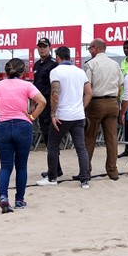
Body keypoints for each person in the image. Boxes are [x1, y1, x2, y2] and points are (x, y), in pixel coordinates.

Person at [0, 58, 46, 213]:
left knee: (5, 166)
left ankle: (3, 197)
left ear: (6, 71)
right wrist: (32, 117)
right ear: (23, 71)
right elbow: (42, 102)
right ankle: (19, 200)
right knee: (21, 166)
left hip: (3, 126)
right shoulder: (27, 85)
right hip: (23, 125)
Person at [40, 46, 92, 187]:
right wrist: (81, 108)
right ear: (69, 57)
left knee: (52, 145)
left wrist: (53, 114)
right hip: (78, 116)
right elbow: (89, 93)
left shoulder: (56, 71)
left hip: (62, 116)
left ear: (57, 57)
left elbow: (55, 93)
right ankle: (85, 179)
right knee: (81, 148)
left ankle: (52, 178)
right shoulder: (80, 71)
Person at [83, 38, 123, 180]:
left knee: (90, 137)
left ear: (95, 48)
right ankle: (113, 171)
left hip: (96, 103)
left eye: (90, 49)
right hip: (113, 102)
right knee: (112, 139)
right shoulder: (115, 64)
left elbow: (88, 86)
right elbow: (119, 86)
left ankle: (86, 170)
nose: (89, 52)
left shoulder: (90, 64)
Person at [32, 37, 57, 146]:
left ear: (49, 48)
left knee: (49, 128)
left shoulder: (53, 64)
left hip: (49, 100)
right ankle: (50, 150)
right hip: (39, 100)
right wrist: (33, 103)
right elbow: (35, 85)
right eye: (40, 47)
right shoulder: (37, 64)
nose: (42, 49)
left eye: (44, 47)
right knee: (43, 126)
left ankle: (53, 151)